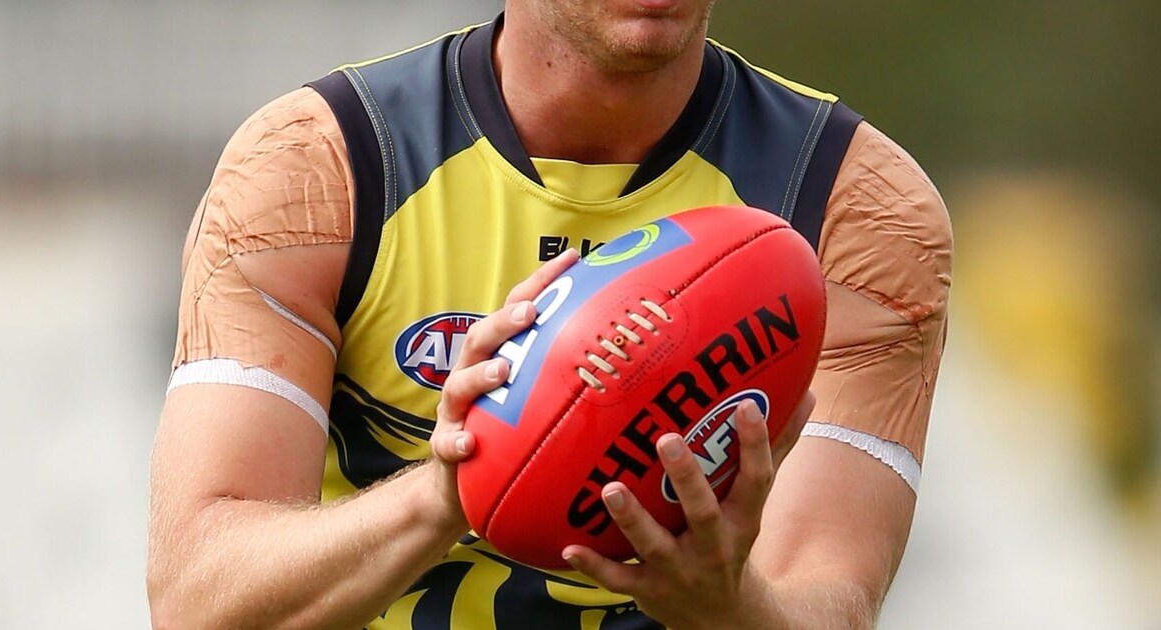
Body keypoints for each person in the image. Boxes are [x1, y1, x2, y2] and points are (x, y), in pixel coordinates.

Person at [147, 1, 951, 628]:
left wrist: (730, 612)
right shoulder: (320, 169)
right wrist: (449, 493)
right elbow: (198, 600)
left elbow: (832, 605)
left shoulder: (858, 208)